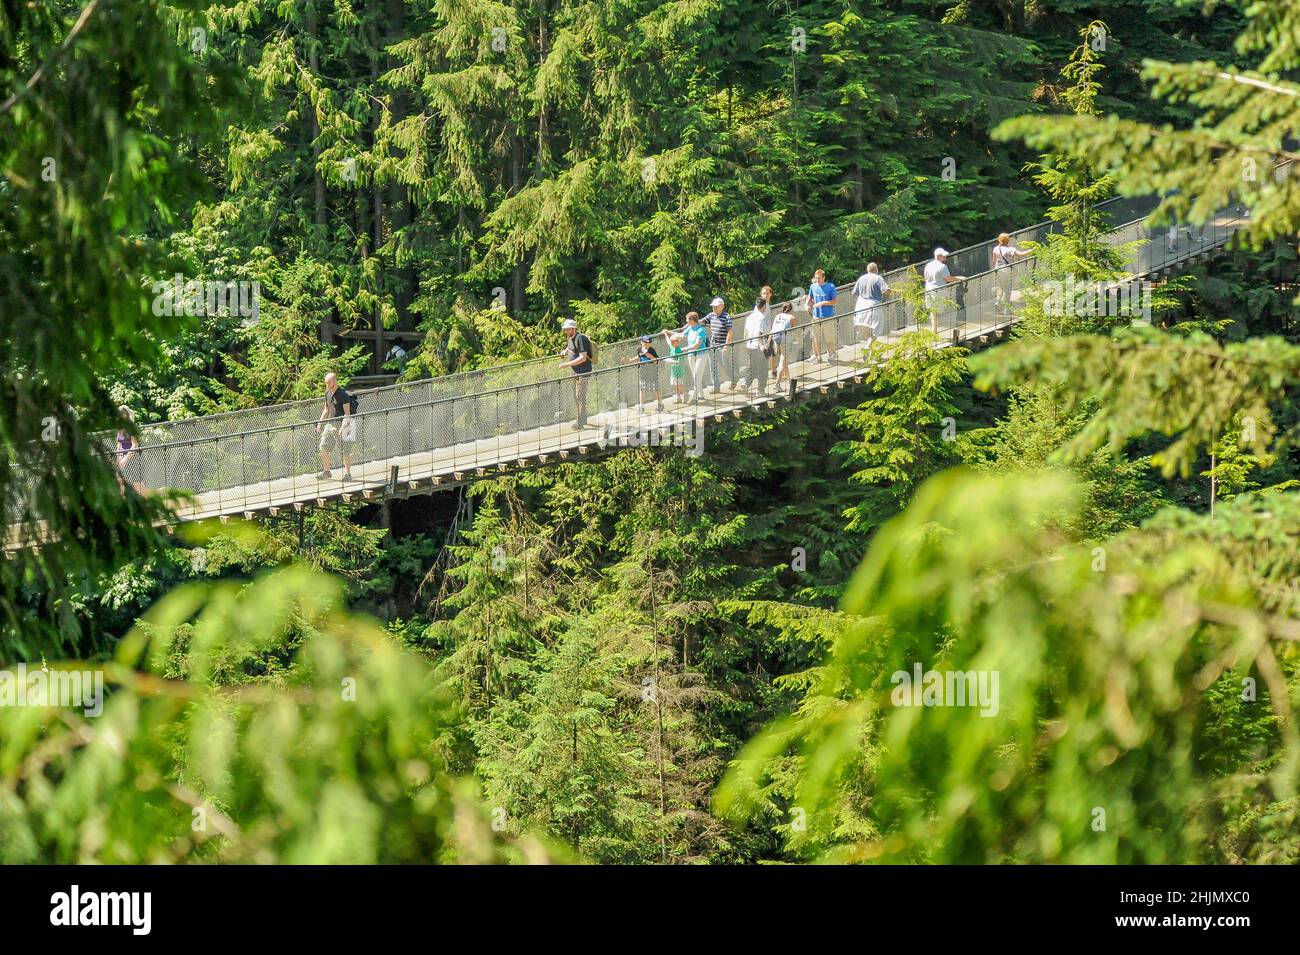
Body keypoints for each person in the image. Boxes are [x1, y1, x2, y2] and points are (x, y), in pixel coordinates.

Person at [317, 372, 358, 480]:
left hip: (346, 423)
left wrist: (343, 427)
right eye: (326, 383)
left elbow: (347, 413)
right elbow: (326, 409)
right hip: (331, 424)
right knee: (323, 447)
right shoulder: (327, 393)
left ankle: (348, 474)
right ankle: (326, 471)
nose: (327, 385)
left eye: (328, 383)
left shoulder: (343, 394)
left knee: (345, 451)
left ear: (334, 381)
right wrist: (320, 423)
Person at [558, 318, 594, 429]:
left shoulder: (581, 339)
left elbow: (583, 357)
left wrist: (566, 364)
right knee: (577, 396)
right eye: (565, 330)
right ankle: (583, 418)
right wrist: (565, 351)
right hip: (575, 372)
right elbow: (571, 348)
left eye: (568, 329)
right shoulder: (570, 338)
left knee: (579, 396)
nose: (566, 332)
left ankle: (580, 422)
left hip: (583, 371)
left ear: (574, 328)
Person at [923, 247, 965, 334]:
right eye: (943, 256)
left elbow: (925, 278)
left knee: (933, 311)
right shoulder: (943, 266)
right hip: (938, 291)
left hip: (928, 291)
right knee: (938, 311)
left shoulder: (928, 265)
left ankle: (934, 330)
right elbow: (948, 279)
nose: (945, 257)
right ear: (938, 256)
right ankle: (934, 331)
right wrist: (960, 278)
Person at [851, 263, 891, 350]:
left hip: (860, 306)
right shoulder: (878, 278)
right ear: (876, 270)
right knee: (875, 330)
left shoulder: (861, 278)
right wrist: (891, 291)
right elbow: (886, 291)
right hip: (873, 306)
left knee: (866, 329)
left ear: (868, 270)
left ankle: (872, 351)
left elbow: (854, 293)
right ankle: (868, 347)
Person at [622, 335, 664, 411]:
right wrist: (630, 360)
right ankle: (642, 406)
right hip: (643, 370)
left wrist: (650, 356)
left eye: (649, 343)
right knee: (642, 388)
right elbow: (639, 356)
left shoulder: (652, 350)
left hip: (652, 370)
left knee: (655, 388)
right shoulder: (639, 349)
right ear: (641, 342)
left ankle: (660, 403)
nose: (648, 344)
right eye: (646, 343)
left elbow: (657, 360)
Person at [804, 269, 837, 362]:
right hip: (815, 317)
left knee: (829, 337)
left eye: (819, 278)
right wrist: (806, 304)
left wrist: (823, 303)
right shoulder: (813, 286)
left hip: (827, 316)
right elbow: (809, 297)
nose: (817, 280)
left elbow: (834, 301)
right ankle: (817, 356)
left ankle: (831, 354)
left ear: (824, 277)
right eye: (816, 278)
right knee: (815, 337)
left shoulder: (830, 286)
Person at [703, 296, 734, 393]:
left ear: (722, 306)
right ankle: (716, 386)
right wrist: (691, 321)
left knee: (725, 364)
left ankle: (734, 378)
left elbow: (730, 332)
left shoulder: (726, 317)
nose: (714, 308)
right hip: (713, 344)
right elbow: (701, 322)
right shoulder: (711, 315)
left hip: (722, 345)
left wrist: (726, 345)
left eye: (716, 306)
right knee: (712, 366)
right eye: (713, 306)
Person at [741, 295, 771, 395]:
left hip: (750, 345)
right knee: (763, 369)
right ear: (764, 306)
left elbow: (745, 332)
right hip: (758, 347)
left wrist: (745, 344)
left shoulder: (750, 317)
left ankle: (745, 382)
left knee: (753, 367)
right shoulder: (761, 317)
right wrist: (761, 345)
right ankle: (760, 390)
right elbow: (759, 332)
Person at [991, 233, 1027, 315]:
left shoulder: (996, 248)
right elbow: (1020, 254)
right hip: (1006, 271)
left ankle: (997, 302)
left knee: (1001, 287)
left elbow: (994, 261)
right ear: (1008, 240)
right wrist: (1031, 250)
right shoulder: (1010, 249)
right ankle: (1006, 310)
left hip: (997, 270)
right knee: (1007, 290)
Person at [679, 311, 709, 402]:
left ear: (692, 320)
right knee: (695, 375)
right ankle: (701, 394)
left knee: (696, 375)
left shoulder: (701, 330)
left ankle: (695, 397)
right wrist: (668, 333)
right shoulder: (690, 328)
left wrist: (683, 349)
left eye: (688, 320)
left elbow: (697, 345)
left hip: (701, 354)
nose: (687, 322)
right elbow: (681, 335)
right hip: (691, 355)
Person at [115, 405, 142, 492]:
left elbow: (135, 445)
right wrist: (118, 457)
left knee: (135, 483)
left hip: (133, 458)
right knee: (121, 481)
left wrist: (125, 459)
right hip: (122, 457)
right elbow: (119, 444)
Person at [770, 303, 795, 389]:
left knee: (785, 362)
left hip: (776, 339)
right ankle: (777, 384)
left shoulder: (777, 316)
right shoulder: (792, 318)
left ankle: (789, 381)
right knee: (782, 362)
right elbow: (794, 331)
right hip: (786, 341)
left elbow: (772, 329)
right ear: (791, 309)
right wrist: (797, 340)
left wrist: (769, 342)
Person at [661, 329, 688, 404]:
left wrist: (669, 361)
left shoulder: (679, 350)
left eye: (673, 342)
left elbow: (680, 362)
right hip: (673, 369)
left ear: (678, 342)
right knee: (675, 384)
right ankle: (678, 397)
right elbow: (668, 342)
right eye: (672, 341)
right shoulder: (672, 347)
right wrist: (665, 334)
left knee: (679, 384)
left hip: (679, 369)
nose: (672, 343)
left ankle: (684, 395)